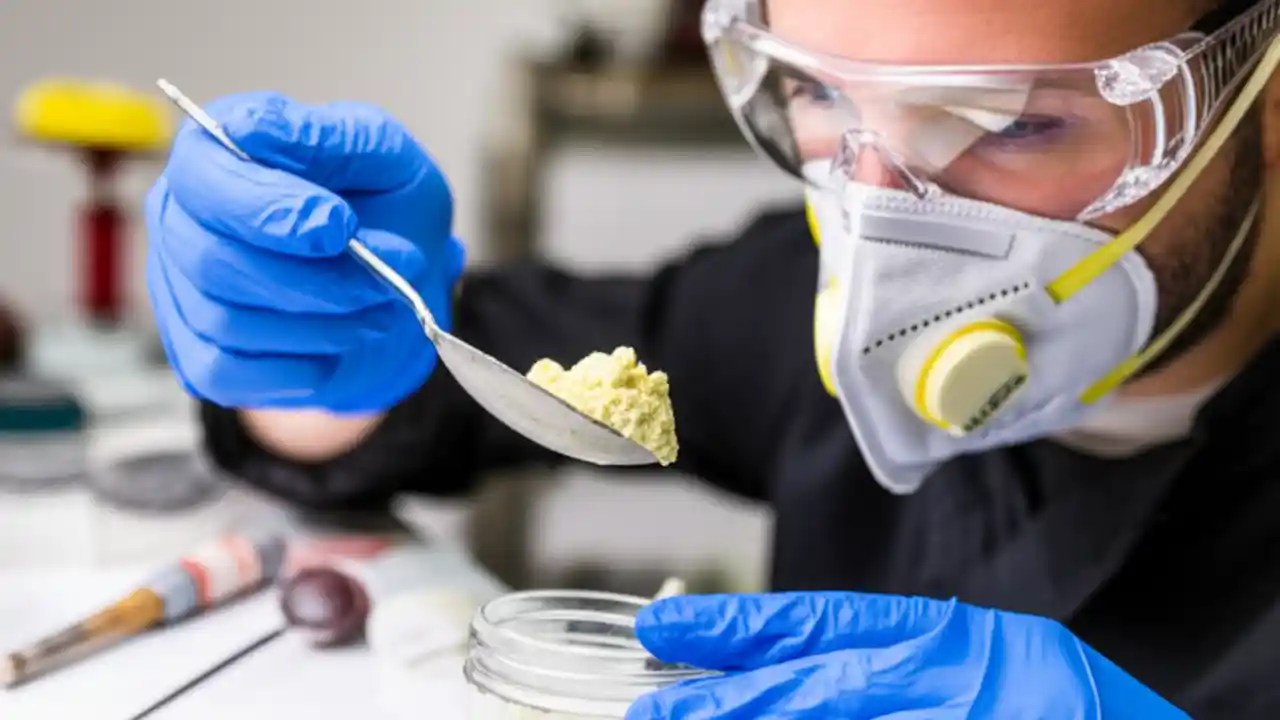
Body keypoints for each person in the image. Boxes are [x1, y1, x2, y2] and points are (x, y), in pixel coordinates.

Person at [144, 0, 1280, 716]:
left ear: (1259, 99)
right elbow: (453, 389)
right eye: (819, 96)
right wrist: (309, 337)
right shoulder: (785, 305)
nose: (884, 227)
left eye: (1010, 124)